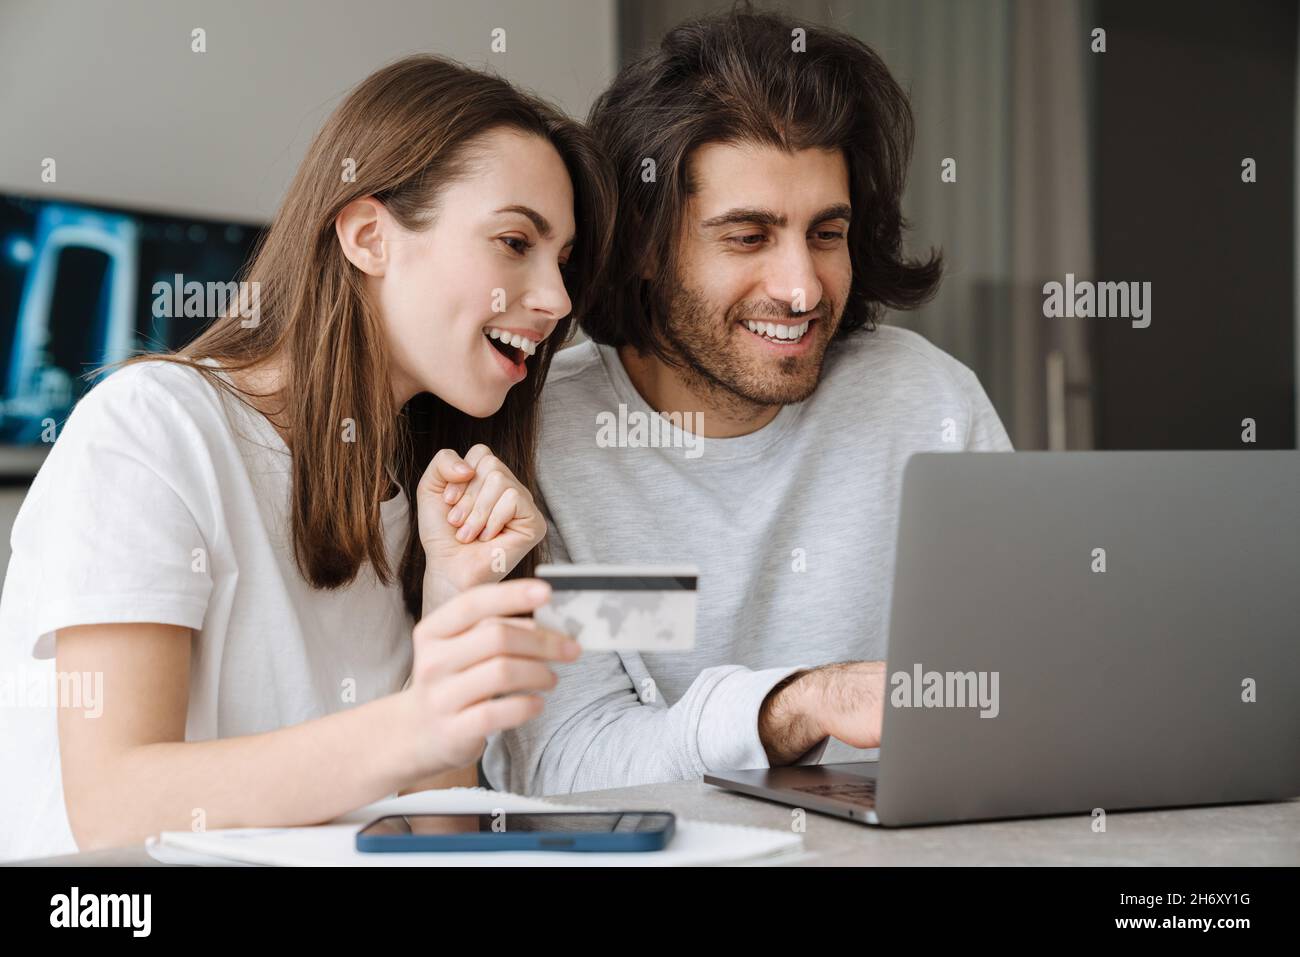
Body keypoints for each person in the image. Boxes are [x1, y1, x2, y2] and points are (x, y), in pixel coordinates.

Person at [0, 54, 612, 859]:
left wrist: (453, 602)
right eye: (513, 241)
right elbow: (116, 808)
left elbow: (437, 836)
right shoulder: (154, 428)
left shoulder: (416, 492)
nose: (558, 300)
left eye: (562, 261)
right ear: (368, 237)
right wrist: (414, 717)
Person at [485, 10, 1012, 795]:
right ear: (644, 247)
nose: (801, 288)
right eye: (748, 237)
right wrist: (793, 708)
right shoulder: (543, 440)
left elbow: (1024, 684)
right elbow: (567, 761)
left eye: (825, 233)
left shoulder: (926, 401)